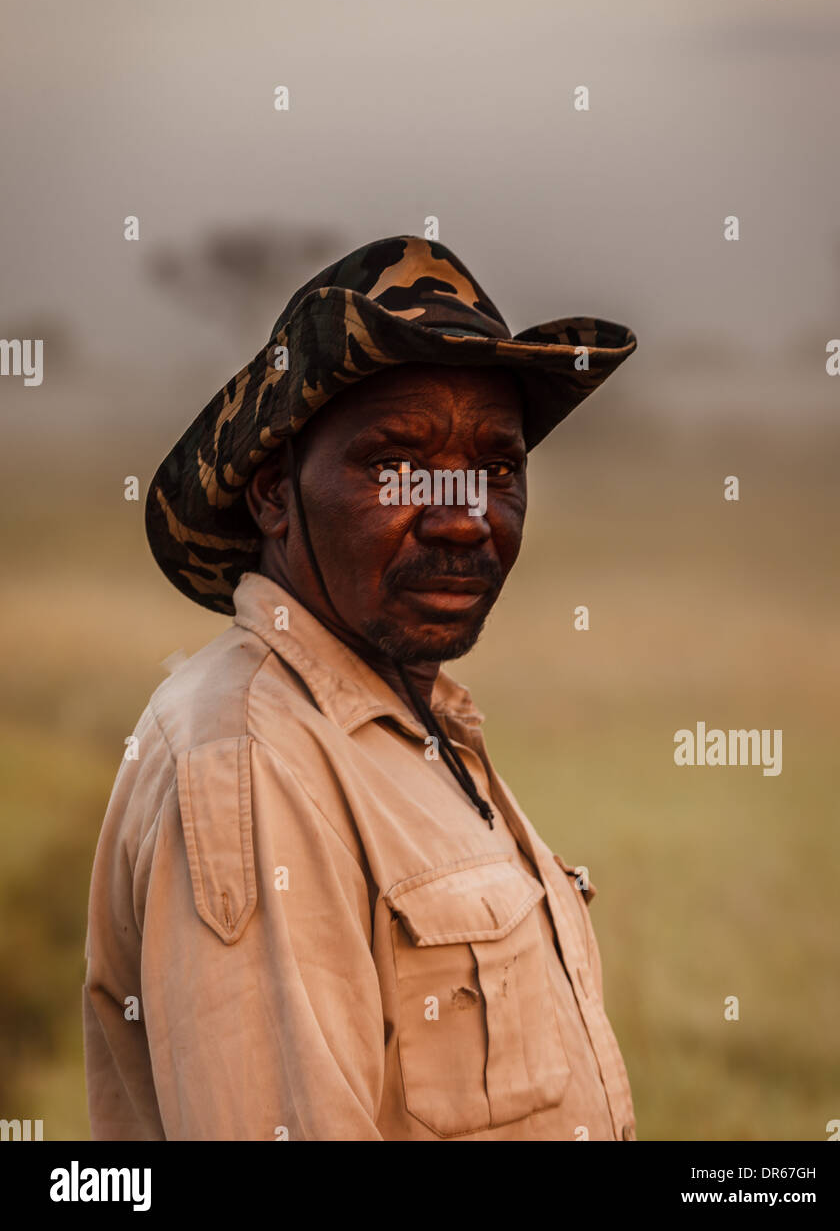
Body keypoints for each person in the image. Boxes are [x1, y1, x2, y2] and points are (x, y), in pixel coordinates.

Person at [83, 234, 639, 1141]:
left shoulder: (407, 722)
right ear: (272, 495)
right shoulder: (254, 764)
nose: (464, 516)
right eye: (397, 463)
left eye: (496, 468)